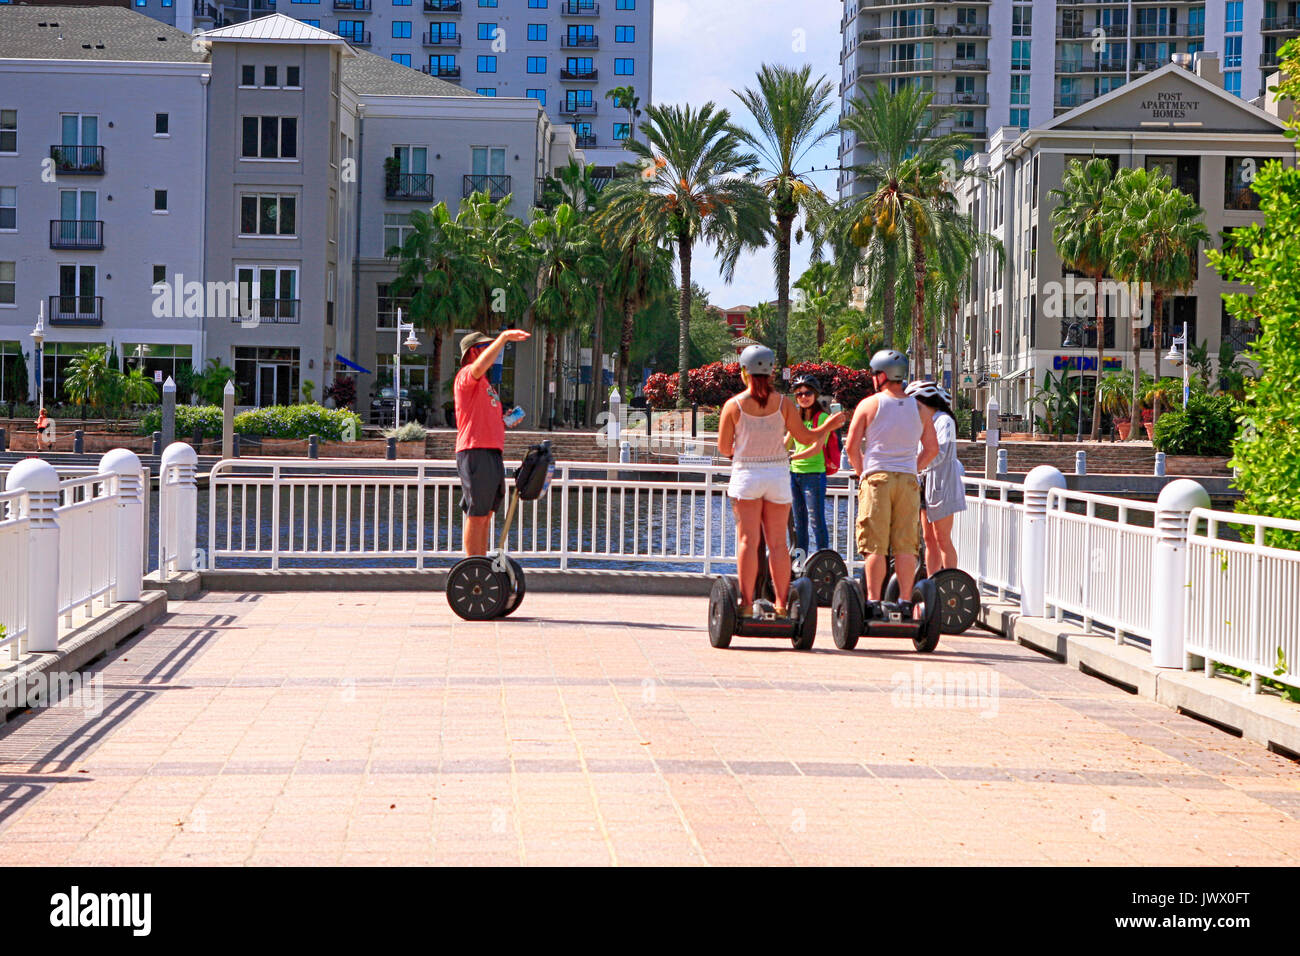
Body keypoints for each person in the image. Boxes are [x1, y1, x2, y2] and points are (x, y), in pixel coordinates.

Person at [717, 346, 845, 617]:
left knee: (747, 542)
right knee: (778, 543)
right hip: (777, 476)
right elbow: (807, 437)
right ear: (772, 372)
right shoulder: (785, 404)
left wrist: (741, 450)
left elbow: (723, 447)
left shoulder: (734, 405)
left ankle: (747, 603)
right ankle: (781, 605)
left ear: (744, 373)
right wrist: (828, 427)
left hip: (747, 475)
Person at [845, 350, 938, 611]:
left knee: (874, 545)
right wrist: (911, 468)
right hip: (908, 481)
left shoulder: (869, 404)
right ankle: (905, 603)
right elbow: (932, 449)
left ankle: (874, 602)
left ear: (882, 376)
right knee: (906, 545)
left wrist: (863, 472)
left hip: (877, 479)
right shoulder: (919, 408)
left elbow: (852, 447)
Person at [454, 328, 530, 556]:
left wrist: (505, 419)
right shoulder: (466, 374)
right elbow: (478, 367)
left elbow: (485, 415)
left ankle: (481, 562)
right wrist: (504, 338)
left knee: (486, 514)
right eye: (485, 347)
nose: (491, 351)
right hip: (475, 450)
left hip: (492, 451)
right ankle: (472, 565)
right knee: (477, 513)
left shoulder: (485, 385)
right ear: (473, 352)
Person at [905, 381, 966, 571]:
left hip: (943, 483)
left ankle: (948, 582)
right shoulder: (922, 422)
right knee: (928, 538)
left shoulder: (943, 421)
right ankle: (932, 584)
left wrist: (913, 466)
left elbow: (940, 452)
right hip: (924, 483)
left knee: (942, 538)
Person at [785, 374, 832, 557]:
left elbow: (816, 448)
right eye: (799, 394)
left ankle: (822, 561)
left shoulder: (823, 419)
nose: (803, 397)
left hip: (814, 475)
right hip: (794, 475)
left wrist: (792, 458)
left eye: (807, 393)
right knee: (798, 524)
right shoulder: (795, 418)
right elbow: (785, 444)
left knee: (816, 522)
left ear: (815, 394)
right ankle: (800, 562)